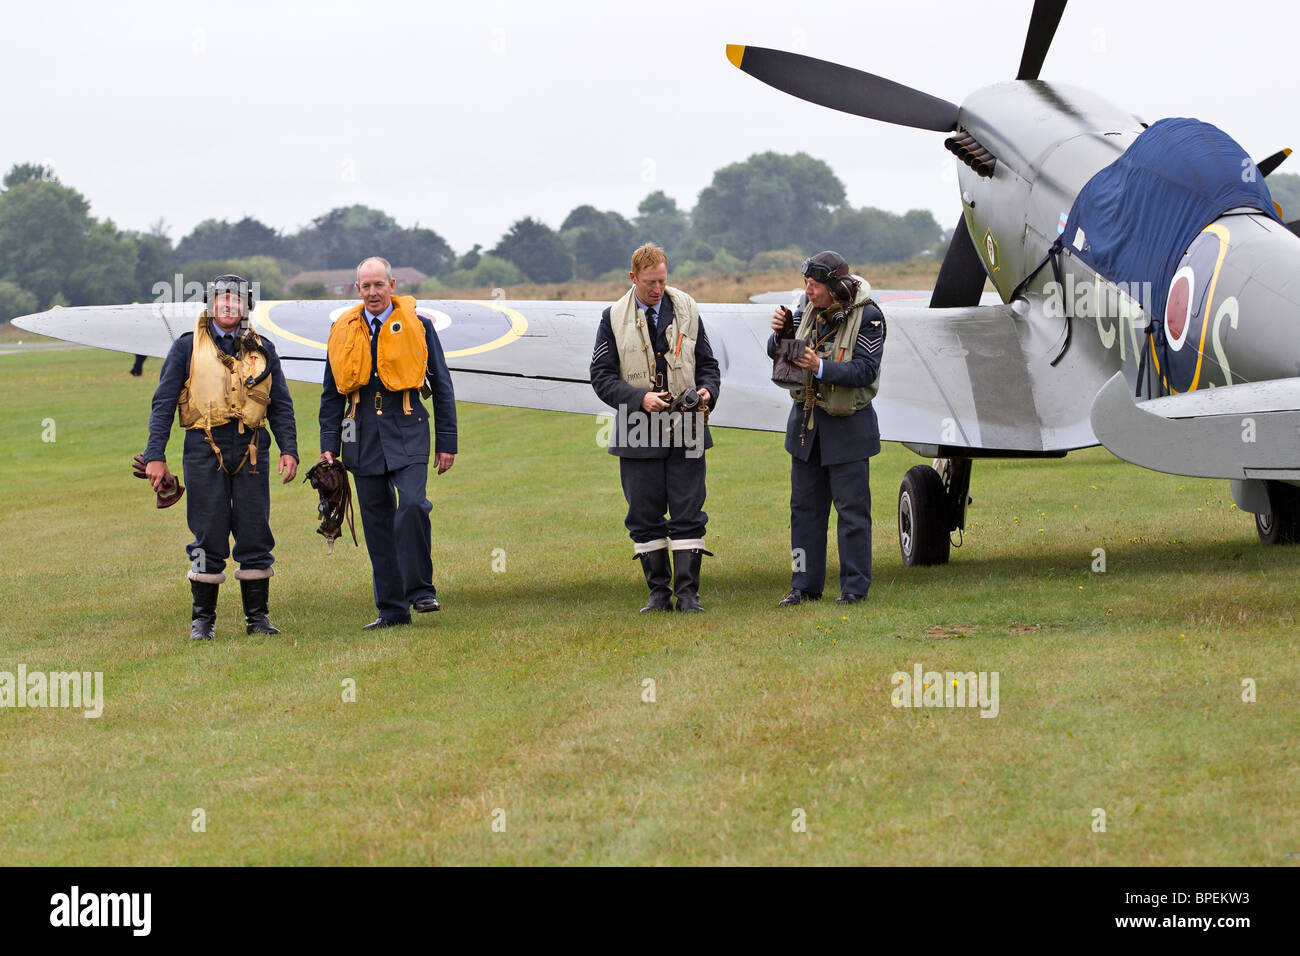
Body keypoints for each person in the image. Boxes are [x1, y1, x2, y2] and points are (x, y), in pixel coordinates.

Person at [143, 274, 299, 639]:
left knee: (255, 529)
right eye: (222, 299)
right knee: (207, 530)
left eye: (236, 299)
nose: (229, 305)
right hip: (203, 446)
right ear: (211, 304)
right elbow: (163, 404)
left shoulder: (265, 350)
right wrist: (155, 455)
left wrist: (289, 449)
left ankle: (257, 619)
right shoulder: (185, 348)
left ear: (247, 307)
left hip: (252, 449)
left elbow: (281, 406)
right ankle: (203, 621)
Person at [318, 256, 457, 631]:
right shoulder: (342, 330)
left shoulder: (421, 326)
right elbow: (331, 394)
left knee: (412, 505)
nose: (373, 292)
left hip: (408, 428)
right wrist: (328, 445)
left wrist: (448, 441)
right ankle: (392, 610)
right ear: (357, 289)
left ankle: (421, 590)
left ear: (392, 285)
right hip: (360, 437)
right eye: (366, 286)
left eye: (379, 285)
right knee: (376, 522)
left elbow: (442, 386)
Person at [590, 243, 720, 613]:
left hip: (688, 423)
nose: (657, 289)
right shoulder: (612, 317)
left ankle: (689, 594)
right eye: (650, 283)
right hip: (636, 425)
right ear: (633, 278)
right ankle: (658, 594)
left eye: (662, 281)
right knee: (644, 514)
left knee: (688, 510)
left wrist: (709, 390)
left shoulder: (689, 310)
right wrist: (639, 398)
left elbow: (709, 364)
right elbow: (600, 378)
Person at [766, 251, 884, 606]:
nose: (808, 290)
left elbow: (865, 370)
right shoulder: (805, 310)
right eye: (807, 284)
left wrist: (820, 367)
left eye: (815, 285)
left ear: (835, 287)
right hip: (805, 428)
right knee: (803, 512)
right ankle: (803, 585)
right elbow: (780, 358)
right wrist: (779, 336)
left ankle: (854, 589)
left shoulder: (871, 317)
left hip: (848, 430)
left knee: (852, 515)